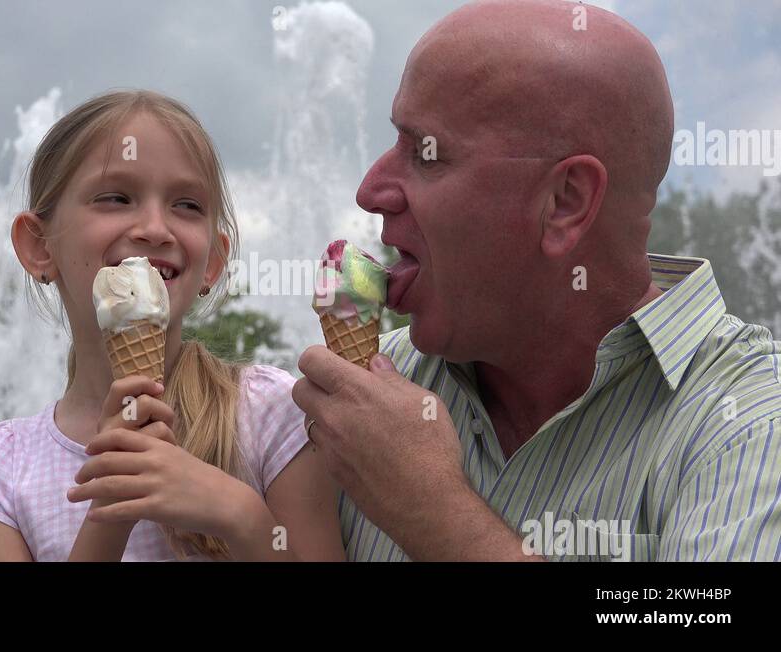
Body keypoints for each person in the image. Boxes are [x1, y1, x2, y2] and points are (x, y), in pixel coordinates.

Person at [293, 0, 781, 561]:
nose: (371, 189)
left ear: (566, 202)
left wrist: (433, 514)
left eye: (426, 154)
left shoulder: (748, 426)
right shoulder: (363, 394)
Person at [0, 89, 344, 561]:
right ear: (39, 247)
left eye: (187, 205)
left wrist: (238, 512)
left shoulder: (273, 414)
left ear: (214, 260)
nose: (155, 227)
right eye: (116, 198)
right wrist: (112, 505)